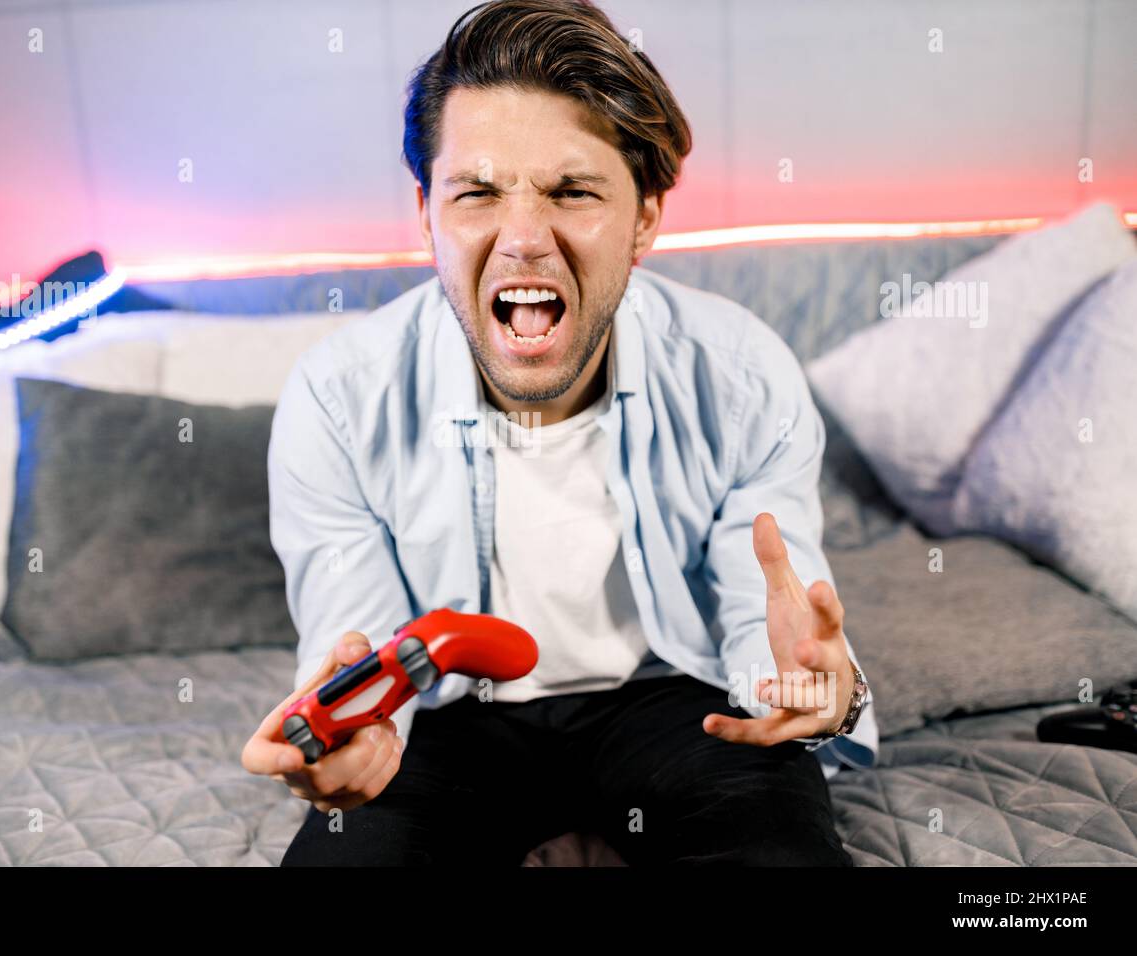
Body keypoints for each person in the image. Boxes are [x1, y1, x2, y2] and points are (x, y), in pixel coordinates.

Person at [242, 0, 878, 866]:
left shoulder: (742, 372)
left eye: (573, 191)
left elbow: (766, 621)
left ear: (646, 217)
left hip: (673, 701)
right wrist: (349, 736)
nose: (524, 242)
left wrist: (814, 688)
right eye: (477, 193)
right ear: (426, 211)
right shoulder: (336, 398)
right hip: (449, 719)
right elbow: (359, 647)